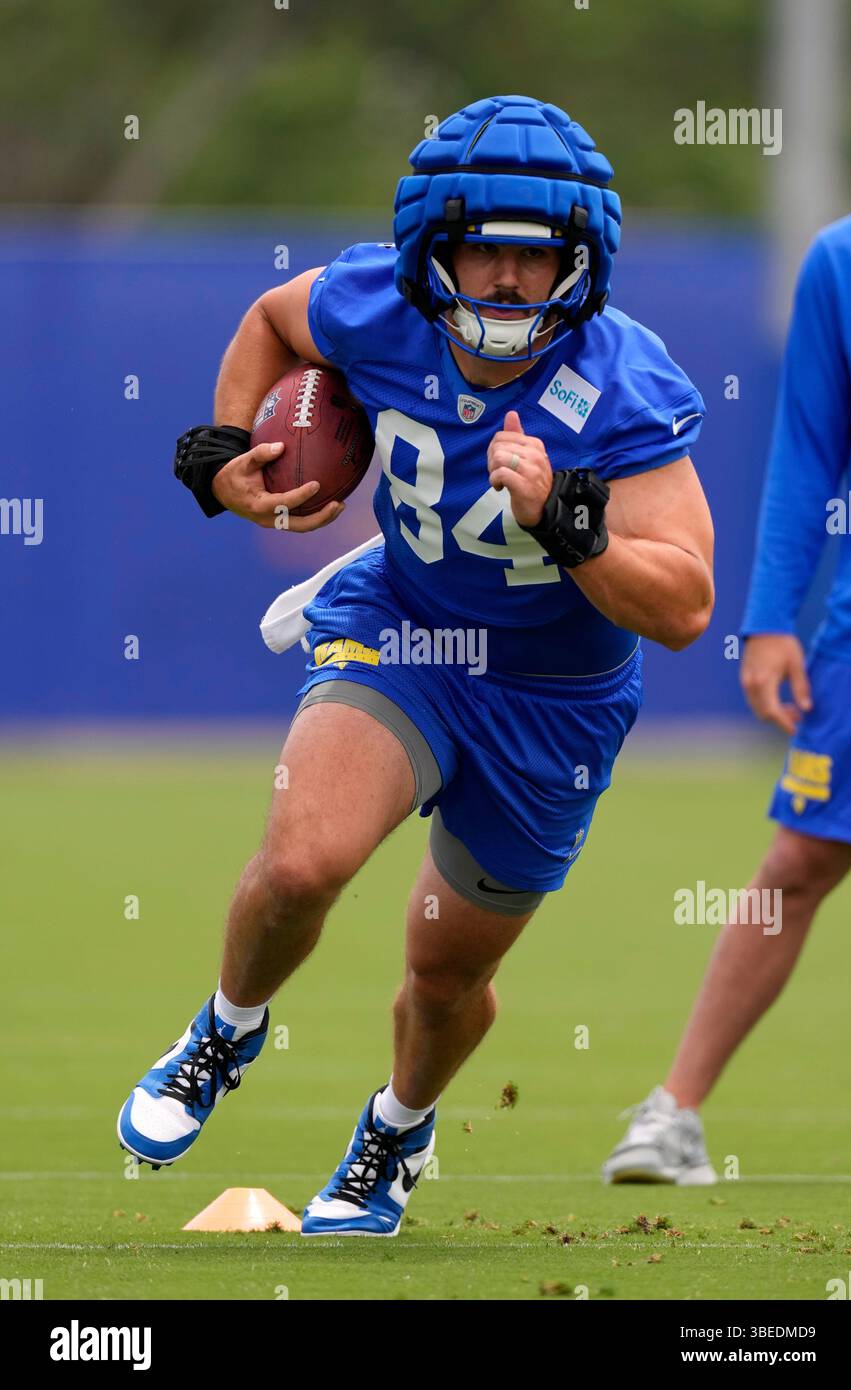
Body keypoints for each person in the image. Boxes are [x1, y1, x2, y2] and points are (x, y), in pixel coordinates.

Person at [117, 94, 714, 1236]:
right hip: (404, 629)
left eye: (532, 260)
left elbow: (684, 604)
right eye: (479, 249)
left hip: (555, 701)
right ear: (429, 250)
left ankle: (395, 1129)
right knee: (304, 860)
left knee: (443, 977)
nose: (501, 281)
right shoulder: (372, 303)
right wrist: (229, 447)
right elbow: (268, 318)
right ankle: (223, 1030)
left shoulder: (624, 381)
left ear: (577, 267)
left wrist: (571, 522)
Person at [603, 208, 851, 1186]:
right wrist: (765, 617)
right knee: (797, 860)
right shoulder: (842, 260)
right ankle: (671, 1115)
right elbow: (808, 450)